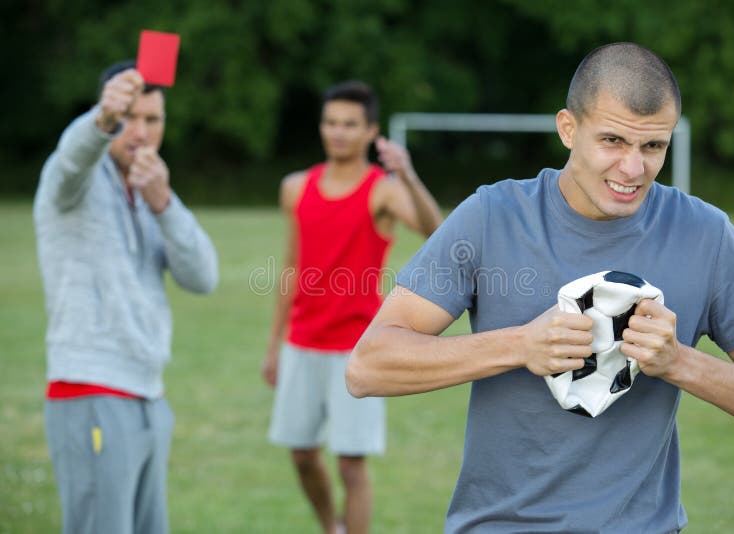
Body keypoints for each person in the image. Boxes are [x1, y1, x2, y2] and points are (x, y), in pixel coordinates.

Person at [346, 42, 734, 533]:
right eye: (613, 141)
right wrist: (520, 344)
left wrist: (680, 362)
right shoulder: (491, 217)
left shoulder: (705, 235)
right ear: (568, 128)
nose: (633, 168)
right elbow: (369, 367)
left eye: (653, 146)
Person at [34, 60, 218, 534]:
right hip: (90, 388)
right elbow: (70, 161)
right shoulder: (72, 182)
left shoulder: (147, 189)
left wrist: (165, 204)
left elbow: (203, 276)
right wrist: (100, 122)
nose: (139, 132)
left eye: (152, 119)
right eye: (127, 117)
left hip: (149, 394)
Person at [261, 80, 442, 534]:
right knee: (302, 454)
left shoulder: (382, 190)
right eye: (331, 123)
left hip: (355, 347)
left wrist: (409, 176)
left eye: (350, 125)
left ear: (370, 132)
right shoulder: (295, 188)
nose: (338, 132)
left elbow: (436, 233)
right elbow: (291, 265)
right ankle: (331, 527)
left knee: (351, 468)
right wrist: (273, 345)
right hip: (301, 342)